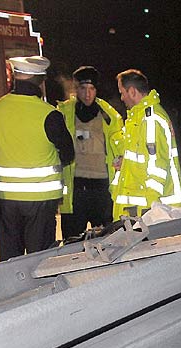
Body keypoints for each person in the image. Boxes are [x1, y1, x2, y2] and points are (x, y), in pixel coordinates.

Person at [0, 55, 74, 262]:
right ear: (41, 81)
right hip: (40, 202)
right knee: (39, 261)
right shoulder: (49, 115)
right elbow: (68, 154)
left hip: (7, 200)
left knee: (10, 260)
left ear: (15, 78)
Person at [55, 66, 121, 239]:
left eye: (91, 89)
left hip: (102, 191)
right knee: (73, 245)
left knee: (107, 243)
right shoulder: (63, 113)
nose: (87, 94)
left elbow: (120, 148)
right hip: (76, 191)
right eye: (83, 88)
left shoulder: (109, 116)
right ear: (76, 89)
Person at [111, 69, 181, 220]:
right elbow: (141, 158)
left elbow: (157, 164)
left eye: (122, 92)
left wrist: (153, 207)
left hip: (150, 208)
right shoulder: (137, 118)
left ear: (132, 91)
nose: (122, 97)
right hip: (139, 208)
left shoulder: (151, 119)